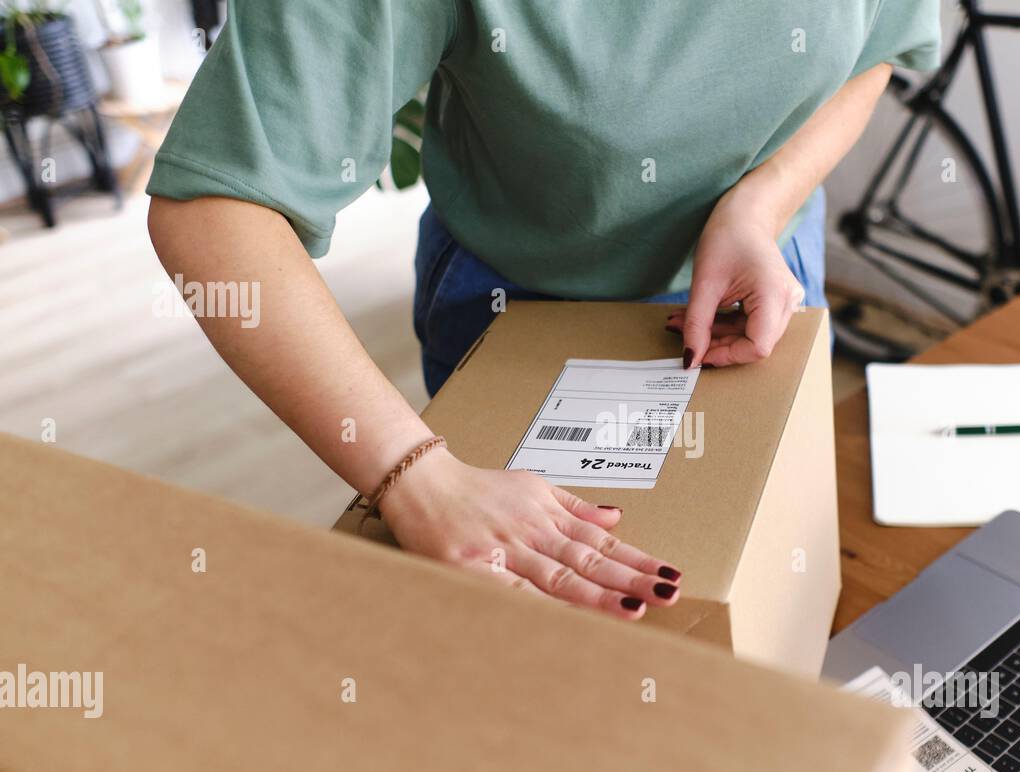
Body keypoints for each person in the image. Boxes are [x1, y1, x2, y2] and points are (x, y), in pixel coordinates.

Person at [146, 1, 941, 619]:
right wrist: (412, 475)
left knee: (777, 605)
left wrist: (759, 206)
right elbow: (212, 210)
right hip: (523, 302)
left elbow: (875, 49)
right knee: (542, 667)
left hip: (765, 271)